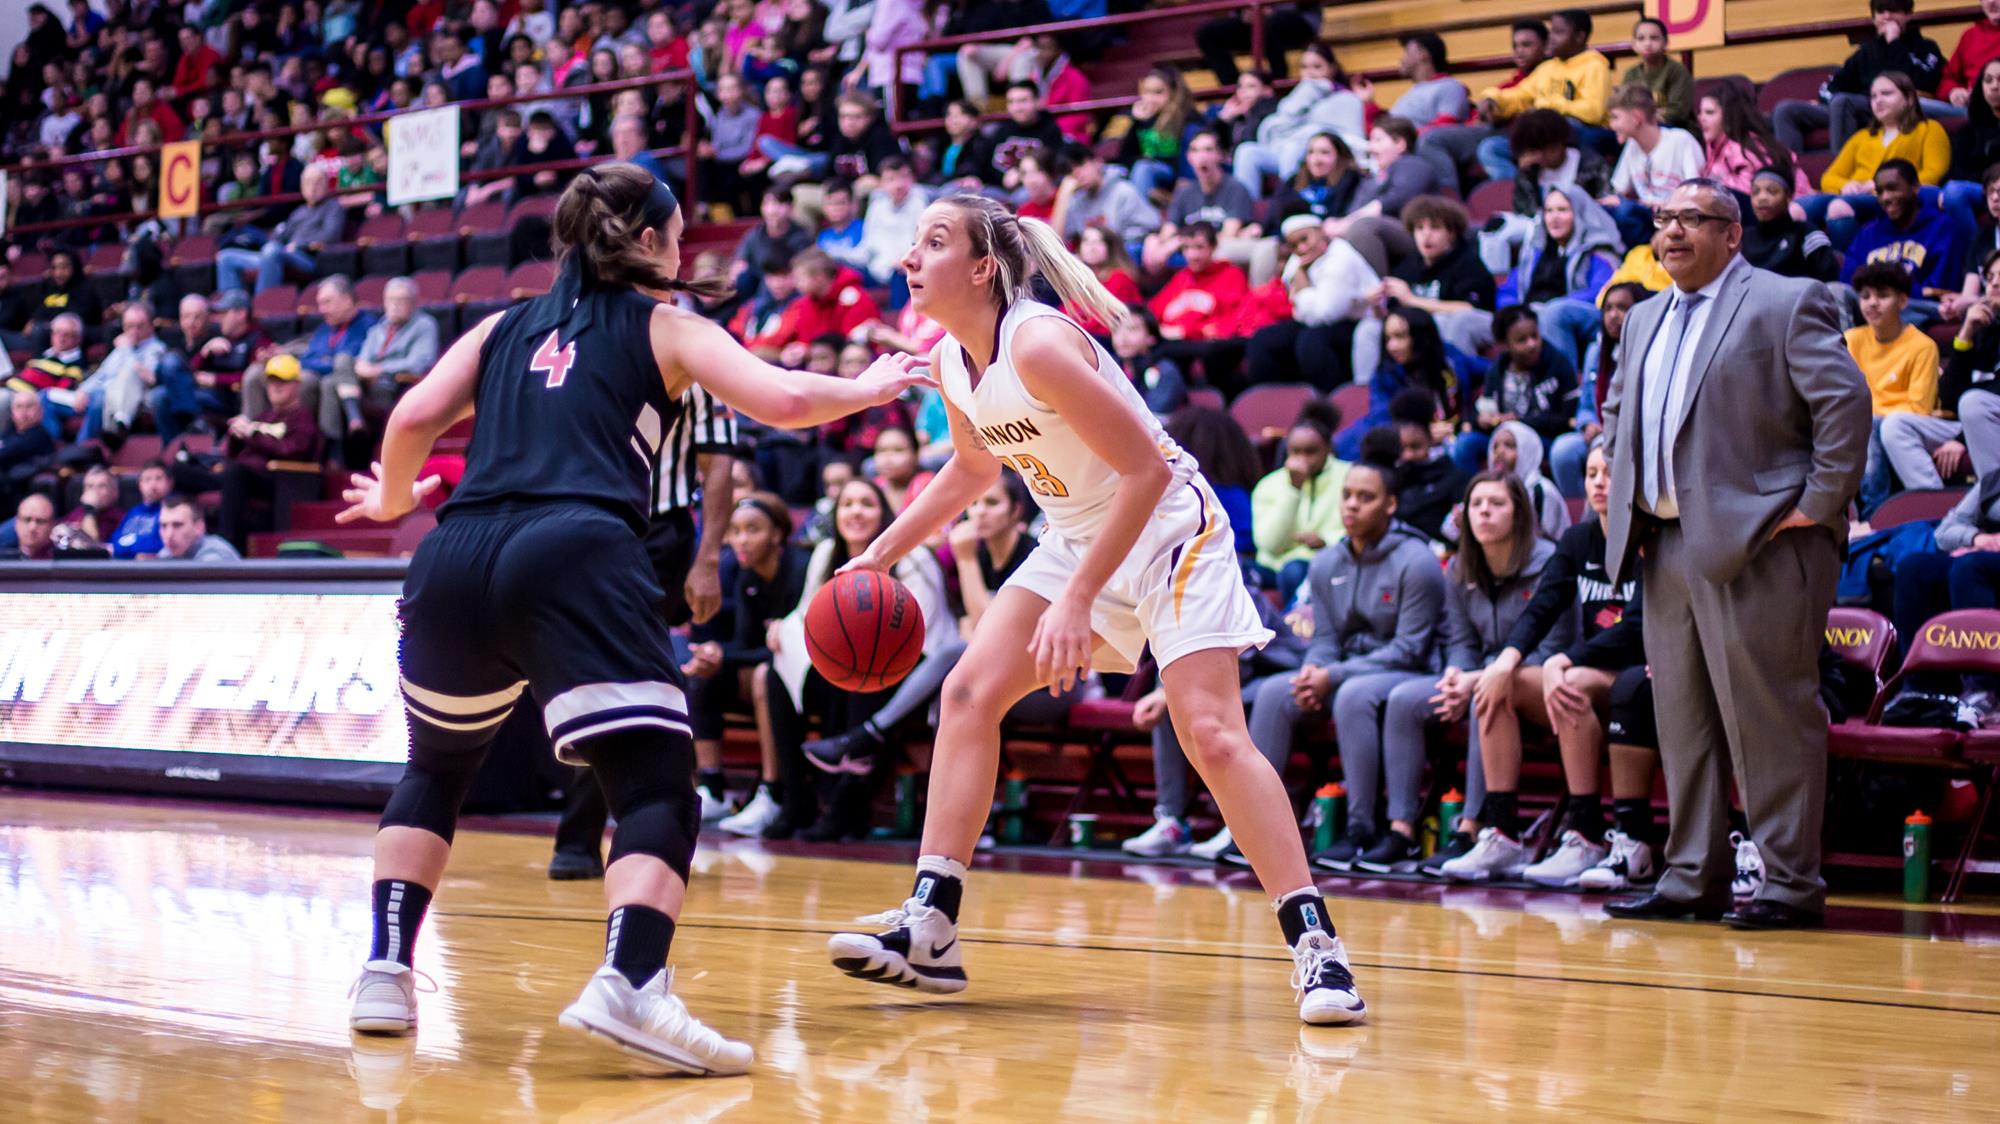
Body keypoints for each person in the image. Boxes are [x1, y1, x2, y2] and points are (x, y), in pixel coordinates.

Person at [335, 164, 933, 1072]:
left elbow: (413, 415)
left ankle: (384, 967)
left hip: (452, 555)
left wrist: (389, 500)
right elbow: (780, 399)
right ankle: (632, 983)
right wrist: (873, 386)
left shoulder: (500, 326)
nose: (685, 248)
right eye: (681, 233)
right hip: (574, 546)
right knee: (656, 785)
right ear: (649, 241)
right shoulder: (667, 326)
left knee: (435, 771)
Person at [825, 193, 1366, 1025]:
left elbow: (1147, 471)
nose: (908, 259)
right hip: (1078, 532)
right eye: (911, 243)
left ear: (982, 269)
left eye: (933, 242)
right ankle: (931, 926)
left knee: (1212, 735)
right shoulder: (947, 360)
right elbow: (971, 475)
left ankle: (1317, 947)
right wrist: (880, 554)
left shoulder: (1036, 343)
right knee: (966, 696)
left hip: (1169, 526)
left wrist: (1077, 599)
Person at [1600, 178, 1870, 930]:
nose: (1674, 231)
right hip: (1665, 541)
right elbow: (1622, 408)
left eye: (1693, 218)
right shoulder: (1644, 316)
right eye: (1664, 218)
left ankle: (1787, 884)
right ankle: (1693, 878)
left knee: (1770, 716)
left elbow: (1845, 404)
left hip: (1762, 542)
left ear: (1733, 233)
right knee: (1682, 716)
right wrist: (1614, 474)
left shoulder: (1786, 301)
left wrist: (1817, 504)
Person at [1247, 457, 1446, 871]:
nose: (1352, 506)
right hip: (1345, 671)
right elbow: (1324, 642)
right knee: (1273, 692)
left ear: (1390, 505)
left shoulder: (1417, 560)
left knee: (1353, 695)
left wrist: (1331, 674)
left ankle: (1361, 830)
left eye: (1366, 498)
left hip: (1410, 671)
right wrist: (1312, 670)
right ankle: (1253, 832)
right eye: (1348, 496)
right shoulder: (1326, 563)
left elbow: (1410, 647)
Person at [1466, 445, 1647, 886]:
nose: (1599, 482)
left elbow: (1642, 624)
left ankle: (1585, 832)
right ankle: (1504, 833)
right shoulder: (1577, 540)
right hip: (1590, 669)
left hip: (1643, 671)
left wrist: (1565, 659)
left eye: (1609, 471)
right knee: (1497, 685)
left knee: (1572, 682)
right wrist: (1506, 662)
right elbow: (1542, 607)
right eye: (1590, 473)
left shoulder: (1652, 538)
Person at [761, 476, 957, 840]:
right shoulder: (825, 553)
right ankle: (795, 799)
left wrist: (866, 650)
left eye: (867, 503)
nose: (856, 512)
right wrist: (782, 628)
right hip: (857, 667)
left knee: (861, 677)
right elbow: (808, 616)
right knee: (776, 675)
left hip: (912, 672)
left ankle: (846, 806)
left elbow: (921, 634)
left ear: (884, 514)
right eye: (848, 504)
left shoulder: (914, 556)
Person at [1423, 472, 1577, 877]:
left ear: (1519, 512)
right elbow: (1459, 640)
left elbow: (1552, 646)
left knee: (1488, 693)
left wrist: (1477, 680)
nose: (1484, 512)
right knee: (1411, 699)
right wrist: (1457, 673)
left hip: (1546, 675)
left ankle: (1476, 828)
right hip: (1484, 672)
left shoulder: (1550, 562)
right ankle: (1392, 828)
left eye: (1496, 504)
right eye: (1476, 504)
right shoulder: (1459, 567)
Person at [1881, 249, 2000, 490]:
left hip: (1988, 421)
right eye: (1989, 278)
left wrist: (1961, 440)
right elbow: (1948, 400)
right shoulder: (1983, 327)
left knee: (1973, 403)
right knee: (1895, 426)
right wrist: (1965, 334)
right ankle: (1934, 506)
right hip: (1968, 422)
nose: (1994, 284)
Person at [1771, 0, 1947, 155]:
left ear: (1908, 15)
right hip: (1856, 109)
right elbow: (1832, 87)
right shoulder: (1866, 52)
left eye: (1893, 10)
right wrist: (1825, 101)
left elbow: (1922, 81)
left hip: (1894, 108)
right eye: (1880, 12)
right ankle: (1789, 179)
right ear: (1873, 18)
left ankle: (1840, 171)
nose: (1886, 16)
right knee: (1786, 109)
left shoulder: (1925, 47)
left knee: (1843, 102)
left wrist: (1894, 43)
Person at [1806, 72, 1952, 240]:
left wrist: (1881, 186)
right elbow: (1829, 177)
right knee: (1795, 210)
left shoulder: (1930, 129)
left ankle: (1849, 264)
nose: (1878, 100)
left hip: (1895, 197)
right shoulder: (1861, 136)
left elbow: (1933, 173)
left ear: (1909, 98)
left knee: (1838, 208)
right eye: (1873, 96)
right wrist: (1846, 185)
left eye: (1886, 93)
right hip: (1855, 195)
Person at [1474, 10, 1615, 184]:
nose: (1552, 38)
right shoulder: (1547, 68)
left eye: (1559, 32)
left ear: (1579, 36)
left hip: (1580, 134)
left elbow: (1593, 112)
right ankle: (1524, 196)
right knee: (1491, 148)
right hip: (1544, 136)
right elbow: (1519, 95)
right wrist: (1492, 99)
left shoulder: (1595, 66)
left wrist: (1547, 106)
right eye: (1551, 32)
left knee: (1558, 127)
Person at [1496, 185, 1621, 373]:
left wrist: (1547, 308)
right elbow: (1509, 289)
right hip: (1533, 313)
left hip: (1577, 318)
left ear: (1579, 213)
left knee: (1555, 312)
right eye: (1548, 211)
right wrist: (1515, 311)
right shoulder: (1535, 253)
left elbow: (1603, 292)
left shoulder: (1599, 251)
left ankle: (1565, 389)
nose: (1553, 217)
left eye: (1562, 210)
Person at [1847, 261, 1940, 514]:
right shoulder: (1851, 339)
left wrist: (1869, 413)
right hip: (1861, 421)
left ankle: (1874, 512)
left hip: (1899, 426)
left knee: (1869, 424)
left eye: (1882, 295)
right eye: (1865, 296)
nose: (1872, 303)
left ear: (1902, 301)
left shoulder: (1923, 346)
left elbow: (1919, 408)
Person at [1837, 159, 1971, 316]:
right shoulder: (1869, 232)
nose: (1885, 197)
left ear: (1915, 187)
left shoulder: (1942, 228)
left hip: (1915, 307)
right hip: (1870, 307)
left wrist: (1888, 293)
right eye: (1879, 192)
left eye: (1892, 189)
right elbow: (1848, 280)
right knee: (1835, 291)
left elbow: (1939, 289)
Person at [217, 354, 324, 549]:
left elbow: (293, 451)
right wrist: (236, 435)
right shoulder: (264, 416)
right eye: (272, 381)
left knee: (234, 474)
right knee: (182, 471)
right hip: (243, 475)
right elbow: (234, 455)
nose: (276, 386)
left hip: (277, 480)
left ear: (297, 385)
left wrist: (252, 435)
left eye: (283, 381)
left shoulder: (302, 418)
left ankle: (225, 547)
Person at [1251, 401, 1350, 602]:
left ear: (1328, 449)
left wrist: (1327, 541)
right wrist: (1293, 490)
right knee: (1234, 566)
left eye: (1310, 451)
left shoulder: (1349, 475)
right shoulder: (1268, 485)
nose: (1302, 460)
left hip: (1328, 562)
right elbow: (1269, 545)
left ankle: (1294, 626)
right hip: (1274, 565)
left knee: (1294, 571)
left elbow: (1365, 526)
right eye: (1295, 452)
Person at [332, 278, 441, 438]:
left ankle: (346, 436)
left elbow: (420, 363)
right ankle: (349, 427)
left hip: (393, 387)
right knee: (340, 364)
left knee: (332, 386)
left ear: (413, 303)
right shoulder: (378, 328)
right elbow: (363, 360)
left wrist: (379, 370)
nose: (395, 305)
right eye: (390, 300)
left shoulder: (424, 325)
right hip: (365, 386)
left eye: (401, 300)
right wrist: (363, 369)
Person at [214, 165, 347, 296]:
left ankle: (262, 304)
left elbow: (331, 236)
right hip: (281, 253)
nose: (312, 187)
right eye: (308, 182)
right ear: (301, 187)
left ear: (327, 185)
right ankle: (233, 305)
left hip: (308, 258)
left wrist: (299, 245)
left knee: (272, 250)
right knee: (226, 257)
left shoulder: (333, 207)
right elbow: (280, 237)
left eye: (318, 182)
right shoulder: (298, 212)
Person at [1601, 85, 1702, 250]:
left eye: (1615, 117)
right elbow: (1620, 191)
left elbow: (1696, 193)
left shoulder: (1681, 140)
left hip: (1678, 218)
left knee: (1625, 212)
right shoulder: (1631, 146)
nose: (1611, 125)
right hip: (1650, 219)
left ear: (1636, 117)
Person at [1618, 17, 1694, 130]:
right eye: (1641, 39)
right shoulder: (1631, 74)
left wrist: (1646, 117)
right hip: (1640, 129)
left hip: (1674, 131)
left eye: (1654, 38)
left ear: (1666, 42)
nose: (1647, 44)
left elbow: (1678, 111)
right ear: (1634, 44)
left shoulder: (1677, 71)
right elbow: (1624, 107)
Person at [109, 461, 173, 559]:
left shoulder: (172, 511)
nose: (153, 485)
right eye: (147, 479)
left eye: (159, 479)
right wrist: (136, 545)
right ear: (140, 484)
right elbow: (114, 542)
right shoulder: (133, 512)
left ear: (169, 483)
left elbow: (159, 543)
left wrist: (125, 546)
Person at [155, 495, 242, 562]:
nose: (169, 535)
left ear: (199, 527)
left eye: (178, 525)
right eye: (163, 526)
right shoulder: (165, 554)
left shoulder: (215, 557)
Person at [0, 494, 55, 561]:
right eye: (27, 520)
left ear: (51, 526)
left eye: (40, 521)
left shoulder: (63, 562)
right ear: (16, 523)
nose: (32, 528)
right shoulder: (3, 560)